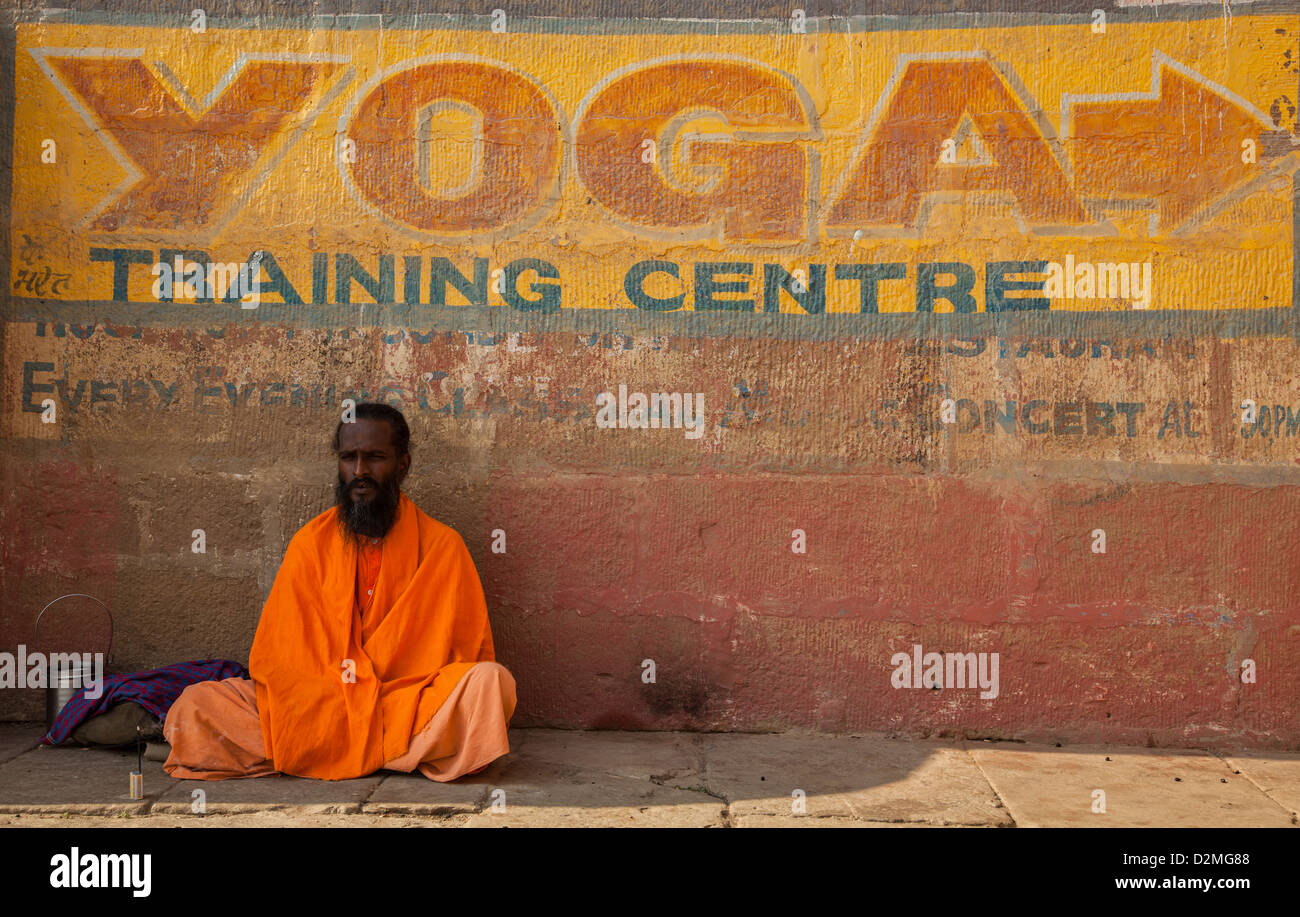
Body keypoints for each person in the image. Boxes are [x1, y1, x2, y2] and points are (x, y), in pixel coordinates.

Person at [162, 403, 516, 781]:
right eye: (349, 458)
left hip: (404, 703)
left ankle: (332, 749)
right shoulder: (310, 543)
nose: (360, 471)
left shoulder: (443, 547)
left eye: (375, 457)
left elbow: (466, 656)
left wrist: (376, 695)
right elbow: (279, 658)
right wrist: (337, 696)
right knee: (196, 704)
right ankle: (393, 752)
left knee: (492, 684)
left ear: (403, 465)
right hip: (321, 702)